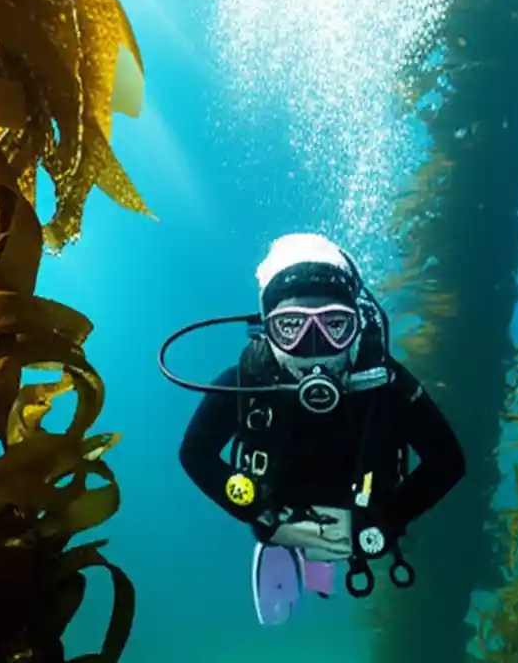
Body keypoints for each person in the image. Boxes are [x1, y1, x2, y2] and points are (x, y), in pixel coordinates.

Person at [159, 233, 465, 624]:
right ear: (267, 331)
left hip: (364, 515)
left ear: (357, 326)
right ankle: (297, 553)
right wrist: (257, 510)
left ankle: (317, 558)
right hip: (280, 512)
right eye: (291, 327)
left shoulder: (384, 383)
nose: (315, 346)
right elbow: (195, 453)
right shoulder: (246, 382)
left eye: (335, 324)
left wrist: (387, 518)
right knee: (296, 536)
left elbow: (448, 460)